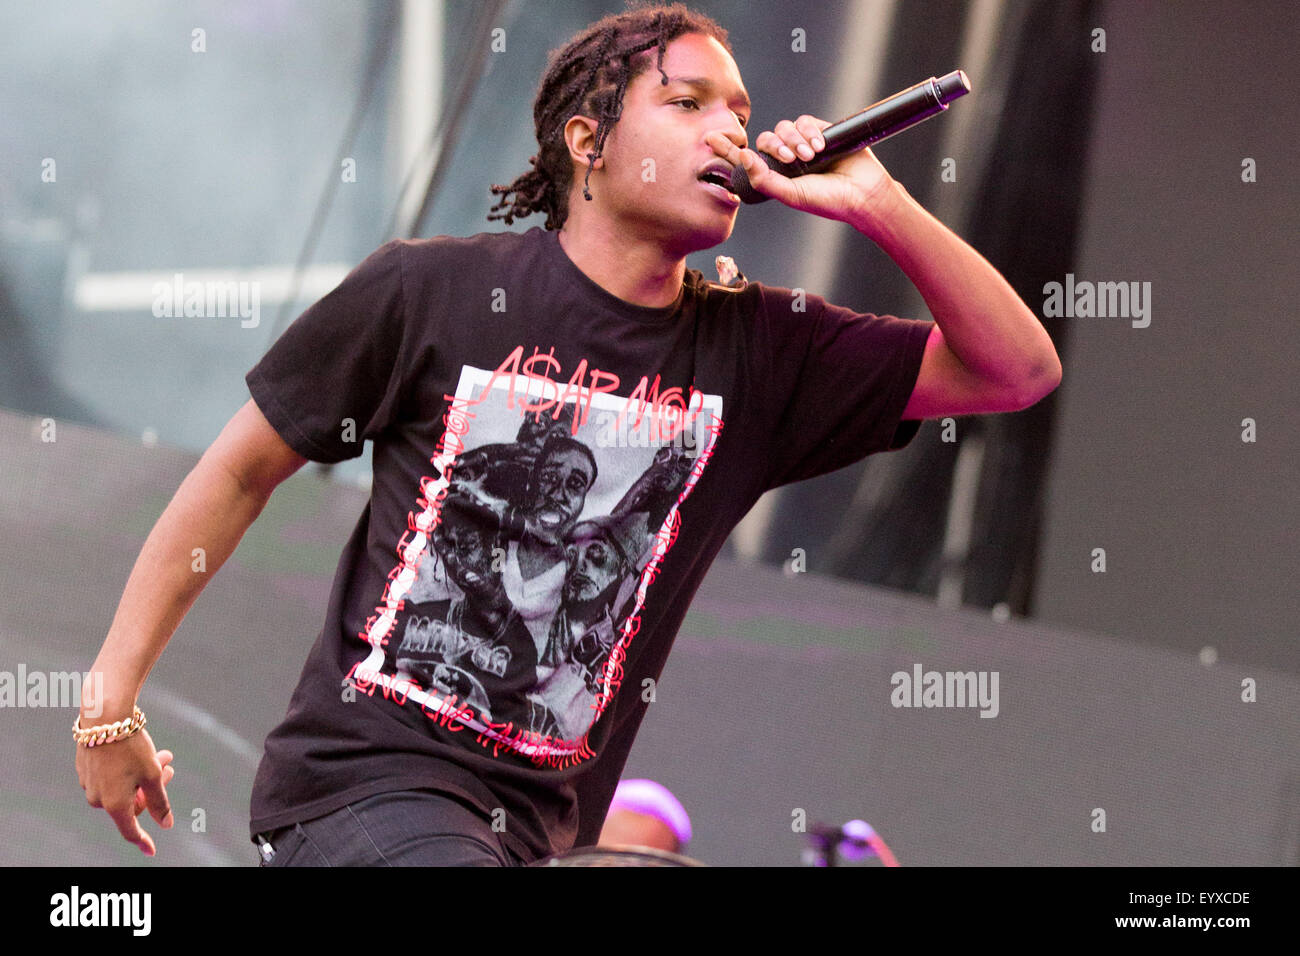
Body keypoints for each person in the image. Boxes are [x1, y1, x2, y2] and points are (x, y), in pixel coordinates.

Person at [74, 1, 1060, 865]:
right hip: (358, 793)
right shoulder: (431, 289)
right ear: (587, 142)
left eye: (742, 114)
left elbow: (1017, 371)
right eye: (688, 104)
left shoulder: (760, 352)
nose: (730, 131)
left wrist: (879, 204)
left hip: (539, 829)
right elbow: (242, 470)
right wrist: (109, 697)